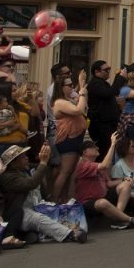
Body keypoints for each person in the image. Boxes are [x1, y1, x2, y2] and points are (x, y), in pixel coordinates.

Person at [0, 143, 86, 244]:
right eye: (23, 157)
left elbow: (44, 171)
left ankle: (30, 235)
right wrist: (43, 162)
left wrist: (45, 159)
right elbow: (31, 184)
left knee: (58, 211)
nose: (26, 158)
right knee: (38, 219)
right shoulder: (7, 177)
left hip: (36, 206)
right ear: (13, 163)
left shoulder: (25, 169)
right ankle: (70, 234)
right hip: (19, 213)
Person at [72, 133, 134, 229]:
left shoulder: (97, 165)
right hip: (87, 202)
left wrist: (123, 180)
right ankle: (129, 219)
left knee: (128, 188)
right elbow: (105, 165)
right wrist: (113, 144)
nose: (97, 148)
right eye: (93, 147)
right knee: (103, 203)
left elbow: (109, 184)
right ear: (85, 152)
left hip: (106, 196)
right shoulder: (83, 165)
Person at [51, 69, 88, 202]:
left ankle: (64, 199)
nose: (72, 87)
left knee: (70, 172)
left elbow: (81, 102)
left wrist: (81, 84)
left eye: (72, 85)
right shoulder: (60, 102)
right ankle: (54, 200)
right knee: (65, 171)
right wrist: (82, 94)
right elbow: (79, 110)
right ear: (61, 88)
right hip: (68, 138)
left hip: (76, 137)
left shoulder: (68, 99)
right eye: (69, 85)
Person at [85, 60, 120, 158]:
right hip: (101, 125)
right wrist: (119, 77)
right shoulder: (95, 83)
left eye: (109, 69)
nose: (109, 71)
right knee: (103, 152)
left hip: (108, 124)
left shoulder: (103, 83)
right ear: (97, 72)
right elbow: (108, 93)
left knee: (108, 150)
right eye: (106, 70)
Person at [0, 91, 28, 159]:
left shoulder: (22, 109)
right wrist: (6, 124)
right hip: (0, 146)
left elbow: (21, 126)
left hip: (17, 146)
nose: (17, 92)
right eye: (14, 91)